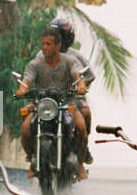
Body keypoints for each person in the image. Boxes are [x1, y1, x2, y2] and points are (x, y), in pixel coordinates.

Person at [15, 26, 89, 180]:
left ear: (58, 45)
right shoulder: (35, 64)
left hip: (66, 104)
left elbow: (78, 76)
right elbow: (26, 82)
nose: (44, 47)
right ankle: (32, 158)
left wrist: (81, 85)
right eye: (43, 44)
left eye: (48, 44)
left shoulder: (70, 61)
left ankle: (81, 163)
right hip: (42, 105)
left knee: (81, 126)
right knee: (25, 129)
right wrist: (22, 89)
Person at [51, 14, 95, 162]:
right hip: (48, 101)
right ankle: (33, 155)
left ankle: (84, 147)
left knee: (86, 114)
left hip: (71, 101)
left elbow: (90, 76)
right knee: (27, 116)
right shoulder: (42, 55)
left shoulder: (77, 56)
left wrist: (80, 89)